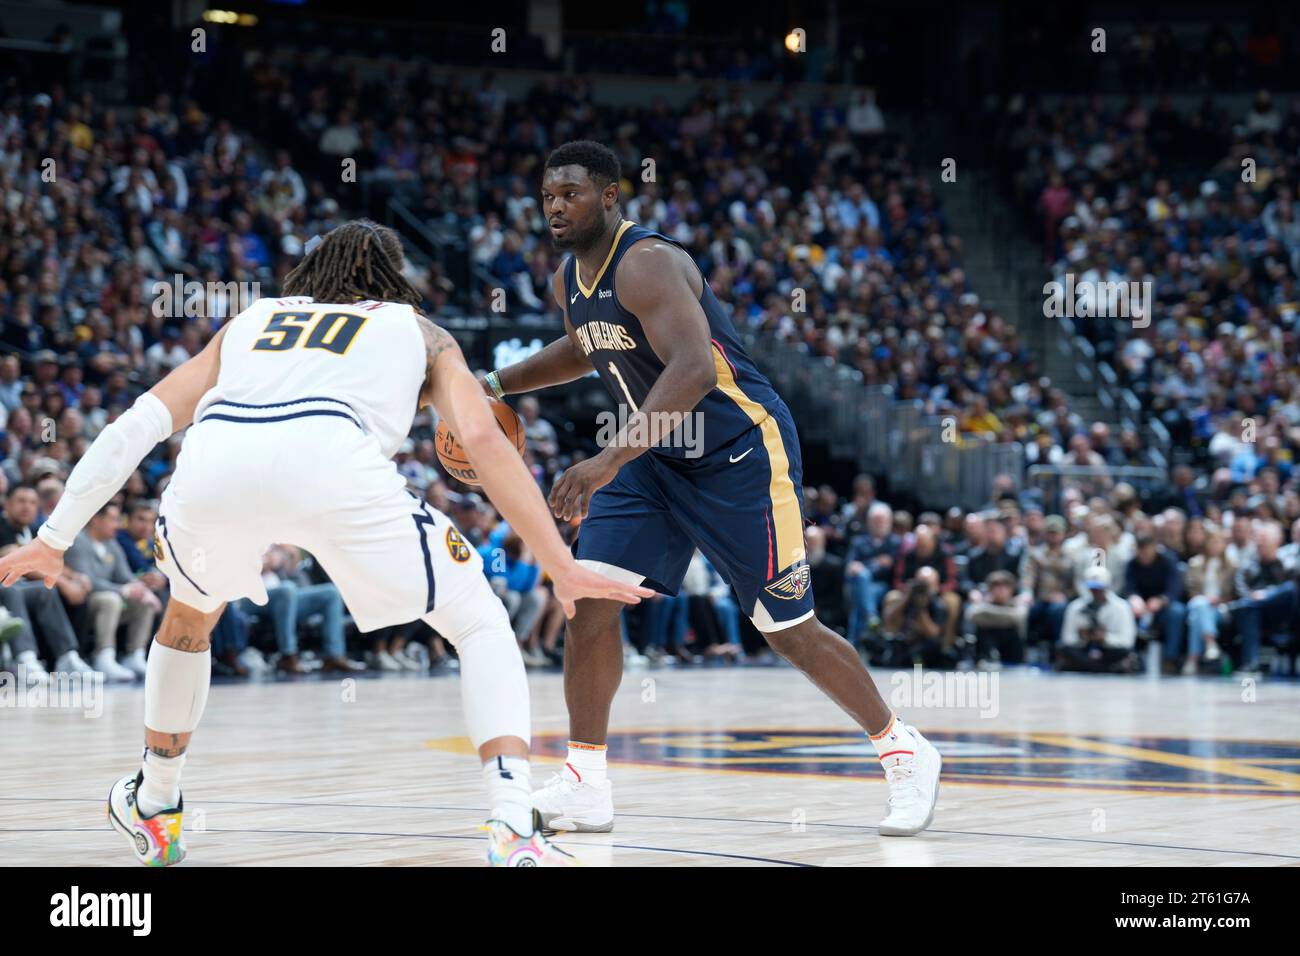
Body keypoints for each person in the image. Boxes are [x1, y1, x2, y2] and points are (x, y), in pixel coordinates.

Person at [0, 219, 650, 868]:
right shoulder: (419, 331)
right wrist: (558, 563)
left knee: (189, 615)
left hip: (214, 467)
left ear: (310, 275)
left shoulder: (254, 320)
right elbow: (482, 439)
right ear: (399, 279)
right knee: (478, 621)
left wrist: (53, 539)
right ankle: (512, 824)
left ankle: (155, 803)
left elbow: (136, 423)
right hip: (332, 466)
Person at [484, 142, 941, 837]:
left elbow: (694, 369)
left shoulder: (648, 263)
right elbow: (585, 350)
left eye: (571, 194)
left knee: (788, 630)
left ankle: (903, 750)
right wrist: (492, 384)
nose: (555, 207)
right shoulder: (567, 281)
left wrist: (606, 459)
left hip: (740, 453)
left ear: (610, 197)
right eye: (548, 196)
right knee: (587, 600)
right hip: (653, 460)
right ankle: (584, 780)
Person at [1058, 566, 1140, 673]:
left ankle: (1088, 667)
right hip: (1084, 649)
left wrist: (1105, 638)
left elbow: (1127, 641)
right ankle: (1104, 668)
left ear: (1107, 586)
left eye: (1099, 588)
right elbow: (1067, 638)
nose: (1095, 591)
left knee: (1124, 652)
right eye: (1092, 588)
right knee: (1064, 649)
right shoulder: (1075, 607)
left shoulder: (1122, 607)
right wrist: (1083, 637)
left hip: (1109, 650)